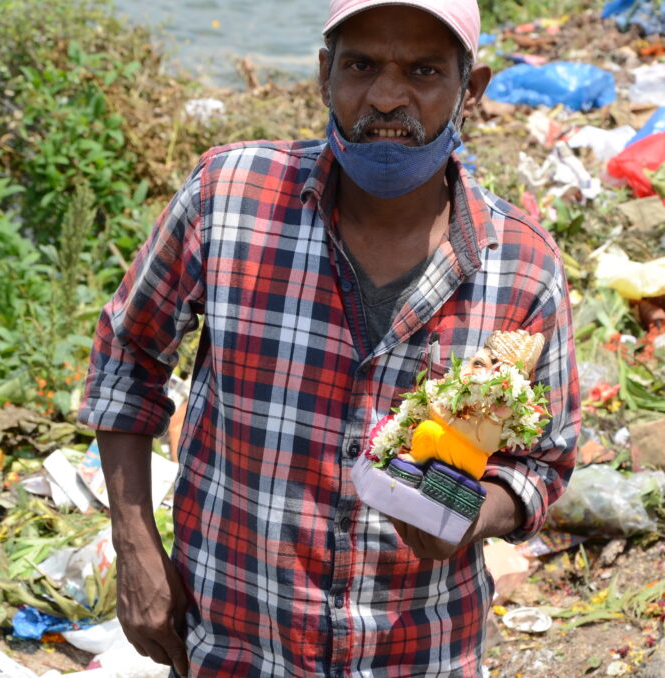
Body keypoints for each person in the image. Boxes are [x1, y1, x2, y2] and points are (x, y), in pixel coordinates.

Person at [79, 0, 580, 675]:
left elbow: (542, 465)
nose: (385, 96)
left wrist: (462, 514)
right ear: (324, 75)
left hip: (414, 652)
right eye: (361, 65)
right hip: (237, 643)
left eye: (425, 70)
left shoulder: (522, 264)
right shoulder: (227, 201)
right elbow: (128, 354)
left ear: (474, 91)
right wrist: (135, 545)